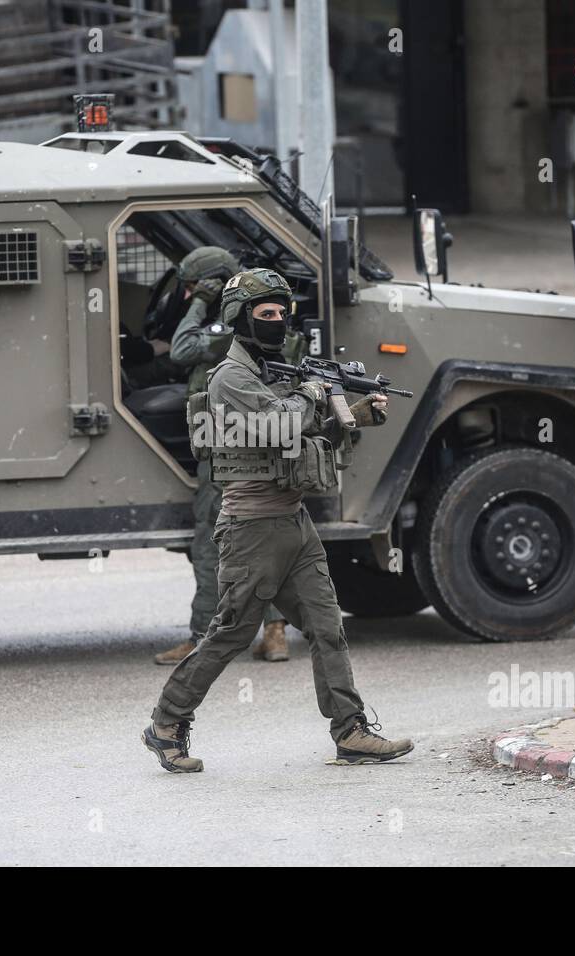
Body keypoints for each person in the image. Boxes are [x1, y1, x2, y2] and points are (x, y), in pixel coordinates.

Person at [143, 268, 414, 772]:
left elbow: (306, 436)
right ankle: (166, 723)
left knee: (327, 626)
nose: (276, 321)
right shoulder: (231, 379)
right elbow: (279, 424)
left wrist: (355, 412)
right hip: (251, 527)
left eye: (281, 313)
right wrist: (314, 393)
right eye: (265, 314)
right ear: (240, 318)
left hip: (293, 520)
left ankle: (351, 731)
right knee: (230, 633)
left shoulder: (274, 373)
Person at [152, 246, 293, 666]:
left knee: (211, 544)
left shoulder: (231, 327)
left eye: (197, 286)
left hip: (227, 452)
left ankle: (202, 637)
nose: (190, 293)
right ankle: (275, 632)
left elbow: (181, 349)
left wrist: (198, 302)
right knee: (265, 542)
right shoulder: (259, 321)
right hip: (261, 447)